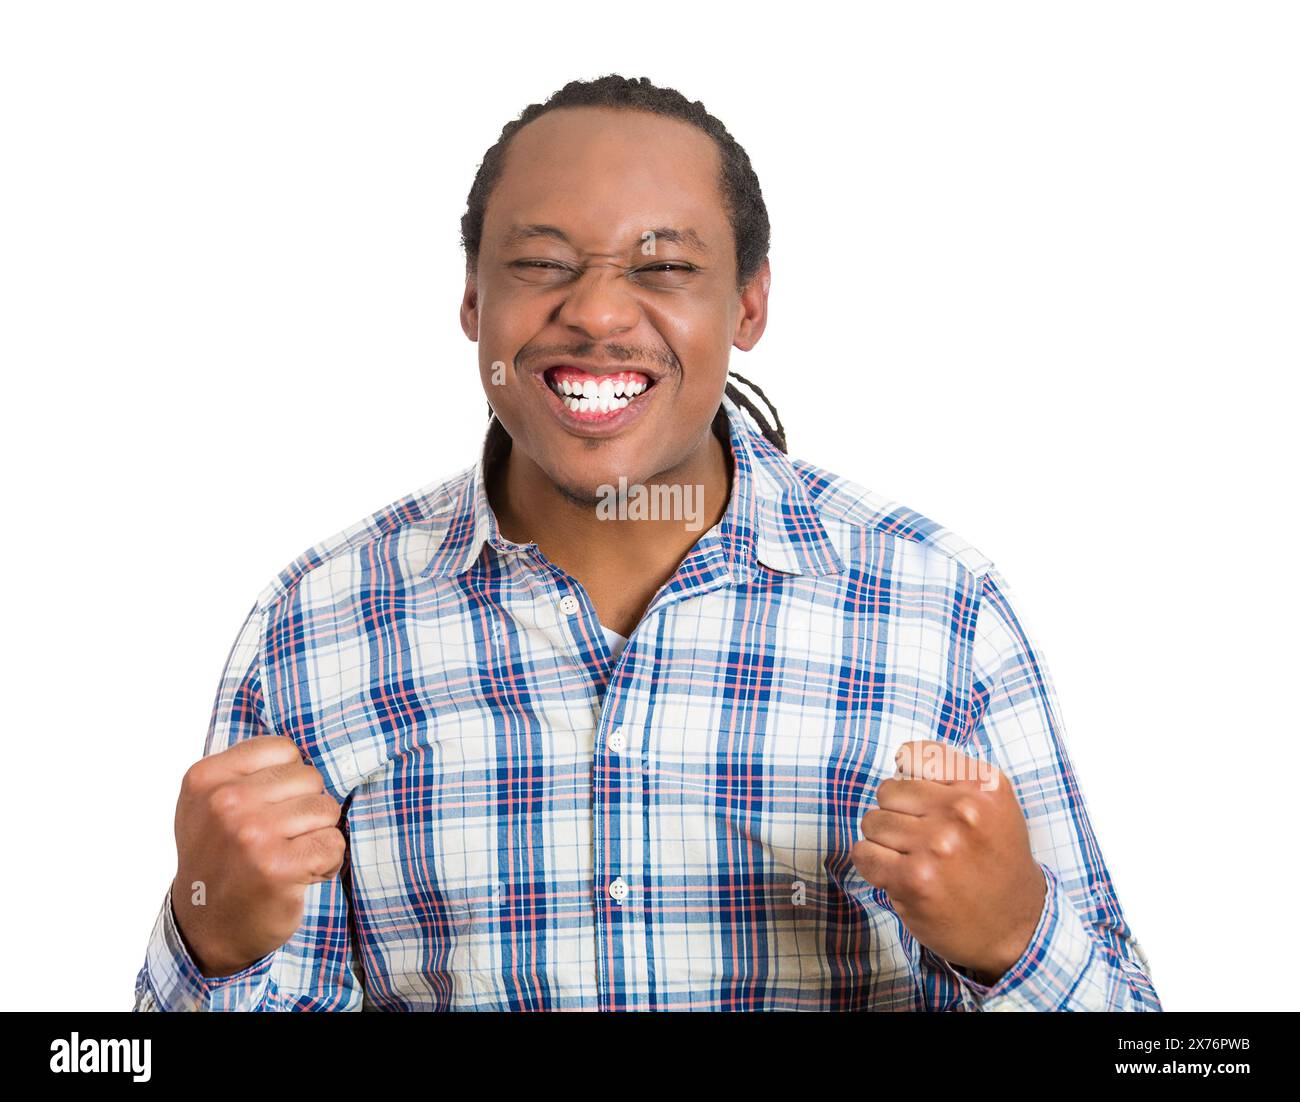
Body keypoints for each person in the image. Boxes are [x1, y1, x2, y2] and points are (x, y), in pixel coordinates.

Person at [134, 74, 1161, 1012]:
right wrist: (206, 937)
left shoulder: (941, 608)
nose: (593, 313)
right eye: (539, 265)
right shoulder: (315, 624)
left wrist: (1015, 943)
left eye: (662, 267)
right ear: (472, 301)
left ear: (748, 304)